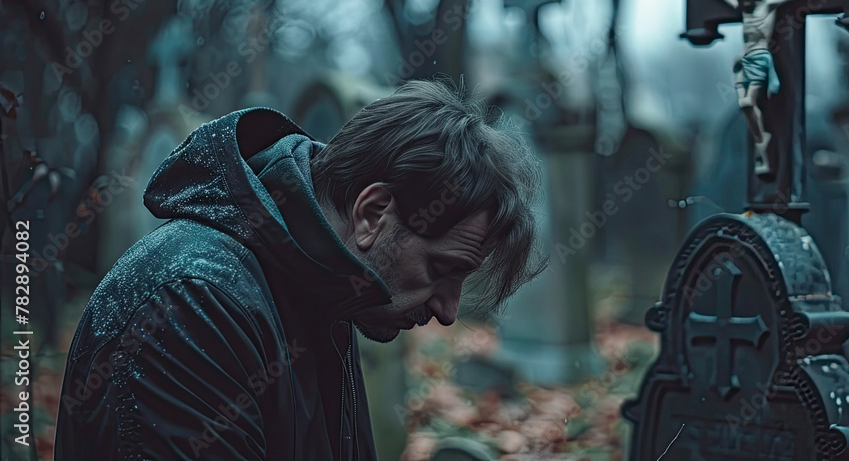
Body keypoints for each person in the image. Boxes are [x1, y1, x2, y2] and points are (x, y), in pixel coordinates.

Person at [53, 79, 547, 460]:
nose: (447, 310)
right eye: (441, 268)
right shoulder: (194, 304)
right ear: (372, 214)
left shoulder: (323, 283)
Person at [701, 0, 831, 175]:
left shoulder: (768, 5)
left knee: (757, 101)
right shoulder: (744, 9)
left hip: (761, 58)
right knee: (745, 104)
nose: (743, 4)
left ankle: (765, 149)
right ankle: (762, 141)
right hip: (746, 59)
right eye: (741, 0)